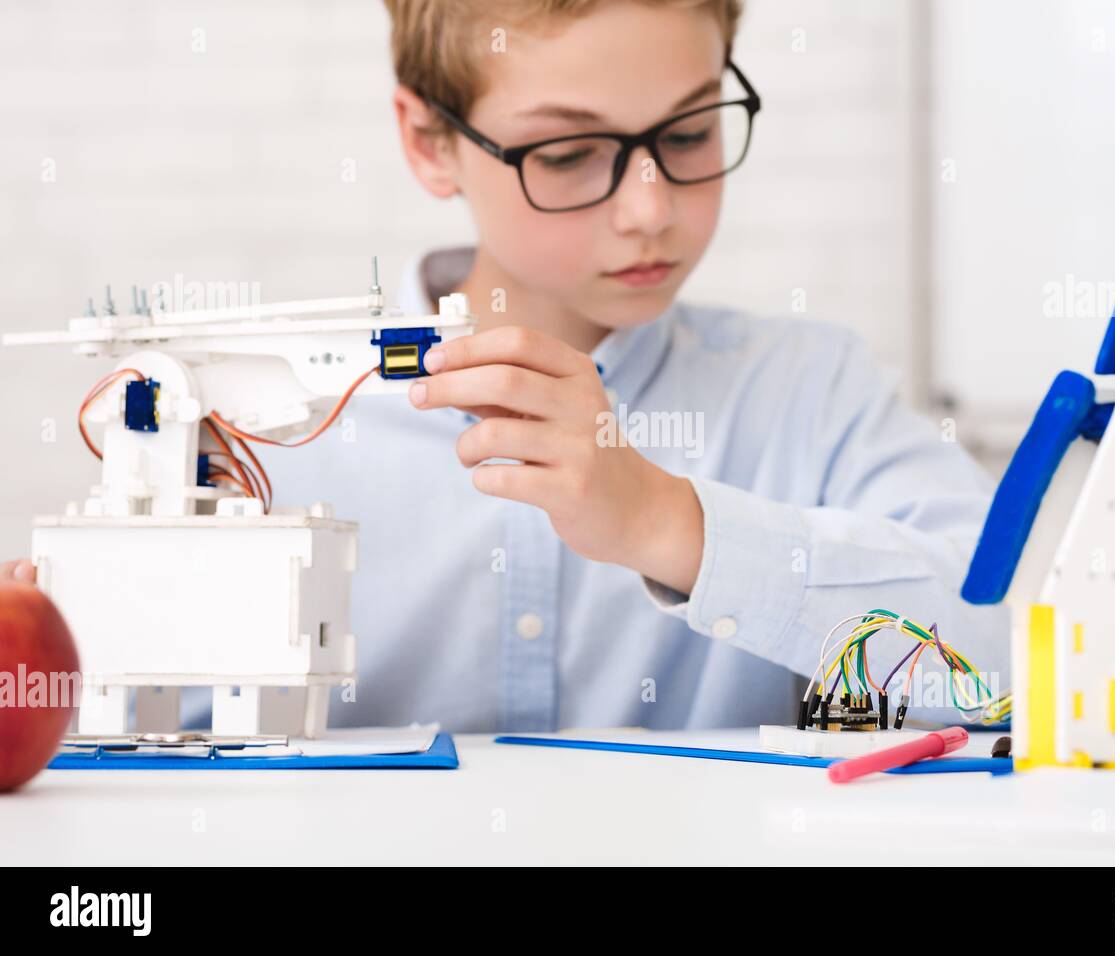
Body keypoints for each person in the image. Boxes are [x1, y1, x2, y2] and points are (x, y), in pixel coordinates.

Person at [5, 0, 1008, 733]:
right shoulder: (262, 425)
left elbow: (1004, 656)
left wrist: (669, 522)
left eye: (691, 131)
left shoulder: (808, 388)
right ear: (428, 140)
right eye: (570, 152)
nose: (649, 207)